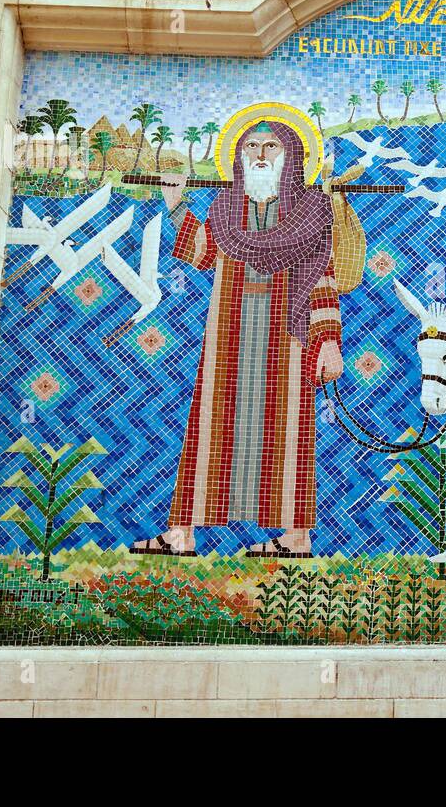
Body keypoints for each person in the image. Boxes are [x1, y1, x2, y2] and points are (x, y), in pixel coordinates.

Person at [130, 116, 343, 559]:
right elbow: (204, 253)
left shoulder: (308, 212)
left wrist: (328, 340)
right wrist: (175, 207)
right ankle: (181, 533)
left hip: (287, 338)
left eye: (270, 146)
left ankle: (296, 538)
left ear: (291, 157)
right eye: (250, 147)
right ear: (238, 156)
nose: (259, 155)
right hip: (230, 334)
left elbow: (323, 276)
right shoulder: (226, 208)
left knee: (289, 434)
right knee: (211, 428)